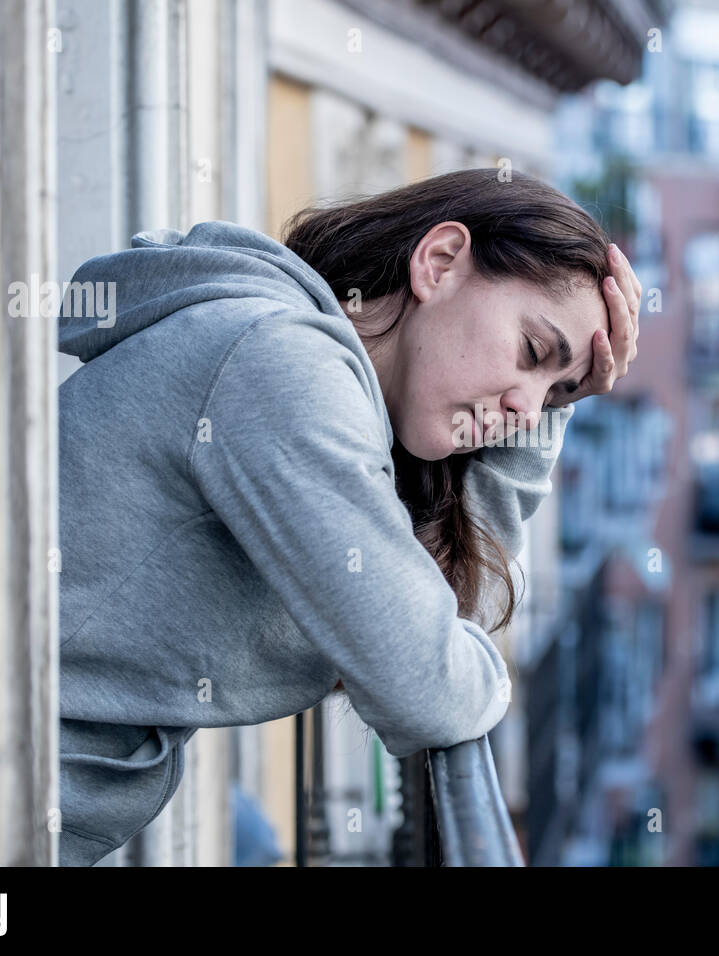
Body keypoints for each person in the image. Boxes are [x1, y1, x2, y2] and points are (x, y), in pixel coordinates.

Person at [54, 167, 641, 866]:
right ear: (441, 261)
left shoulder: (338, 395)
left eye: (551, 394)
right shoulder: (281, 366)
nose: (524, 407)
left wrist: (554, 413)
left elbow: (454, 612)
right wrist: (490, 681)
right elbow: (426, 686)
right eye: (533, 352)